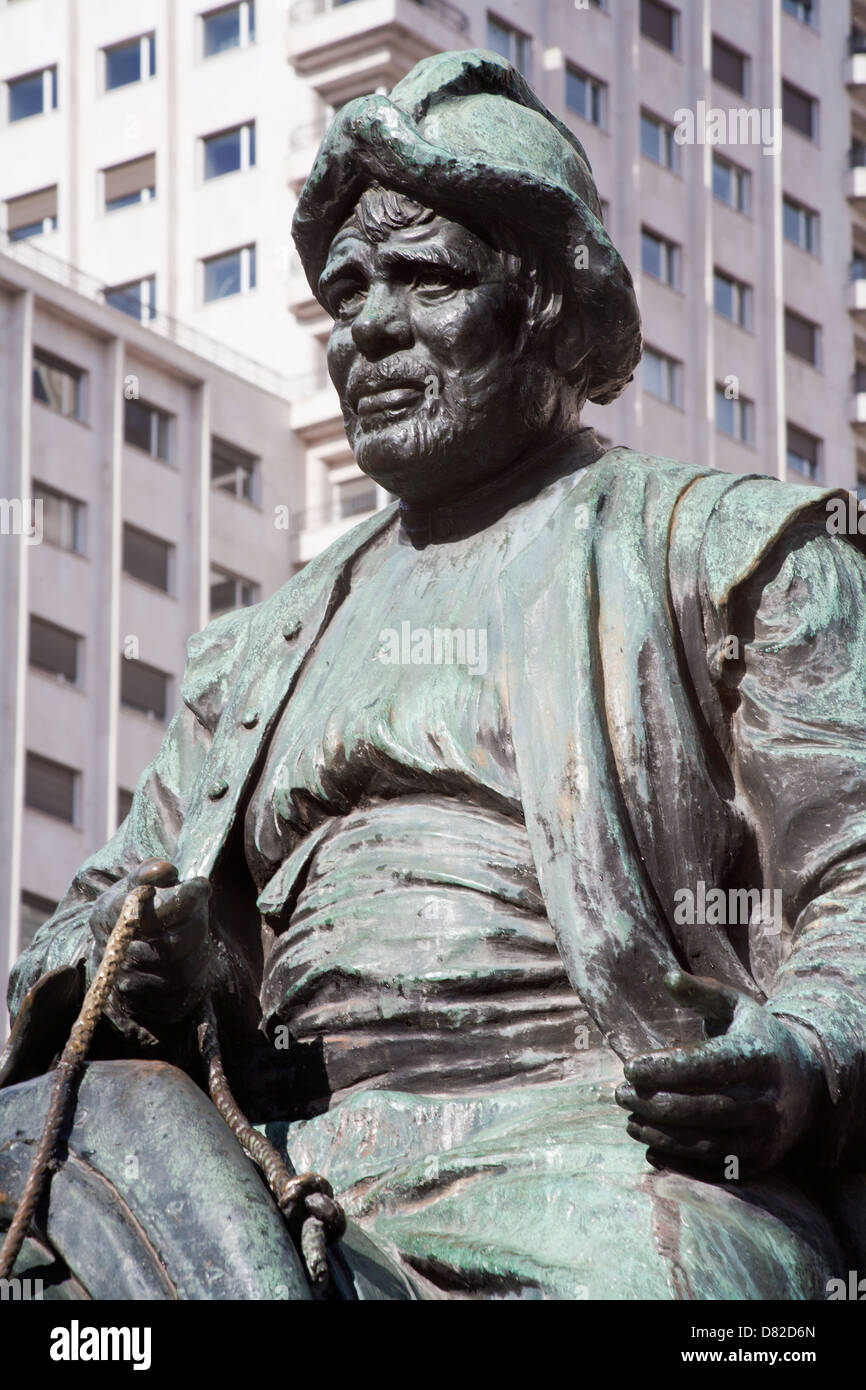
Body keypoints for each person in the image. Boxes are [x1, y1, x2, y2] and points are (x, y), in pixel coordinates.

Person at [4, 49, 866, 1300]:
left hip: (592, 1149)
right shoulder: (254, 648)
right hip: (253, 1164)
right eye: (346, 288)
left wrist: (801, 1056)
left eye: (421, 275)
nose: (368, 325)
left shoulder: (733, 551)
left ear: (547, 304)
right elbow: (82, 924)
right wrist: (131, 960)